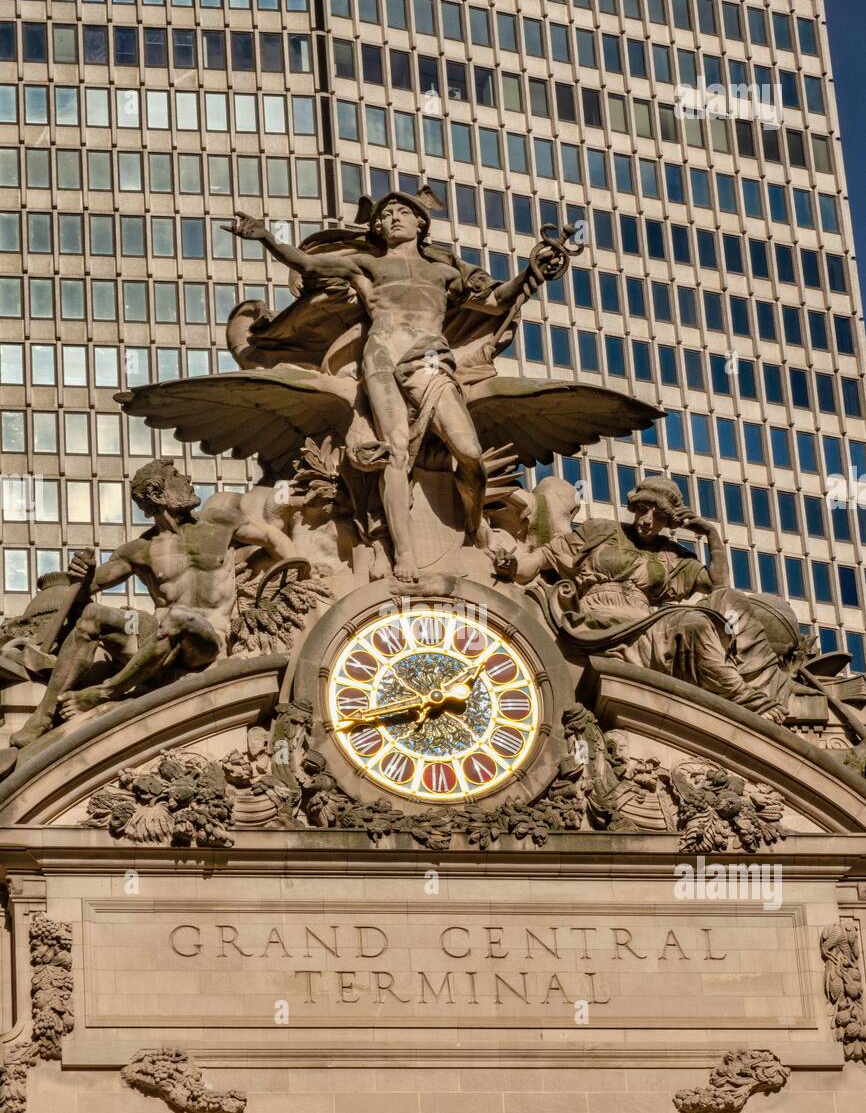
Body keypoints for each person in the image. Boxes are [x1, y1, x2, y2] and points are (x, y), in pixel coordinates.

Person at [225, 195, 560, 582]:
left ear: (421, 224)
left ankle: (472, 529)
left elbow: (497, 299)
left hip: (431, 361)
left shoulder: (445, 274)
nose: (393, 218)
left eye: (403, 212)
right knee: (395, 453)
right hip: (382, 357)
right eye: (385, 215)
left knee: (469, 452)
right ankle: (404, 554)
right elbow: (307, 263)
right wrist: (266, 236)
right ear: (378, 228)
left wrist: (531, 272)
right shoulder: (368, 264)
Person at [11, 460, 296, 747]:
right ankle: (43, 716)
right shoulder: (139, 550)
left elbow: (272, 537)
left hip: (207, 642)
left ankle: (103, 693)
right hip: (154, 641)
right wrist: (83, 576)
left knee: (180, 617)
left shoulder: (220, 522)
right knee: (93, 615)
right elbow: (85, 595)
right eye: (175, 476)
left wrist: (302, 569)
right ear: (157, 494)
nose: (186, 478)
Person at [494, 475, 795, 722]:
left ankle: (752, 687)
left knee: (714, 612)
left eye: (660, 515)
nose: (648, 520)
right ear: (634, 507)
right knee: (698, 627)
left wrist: (710, 534)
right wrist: (514, 565)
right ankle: (747, 701)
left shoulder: (672, 555)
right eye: (643, 510)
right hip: (600, 619)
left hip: (649, 623)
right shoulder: (601, 530)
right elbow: (544, 557)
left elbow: (718, 585)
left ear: (670, 521)